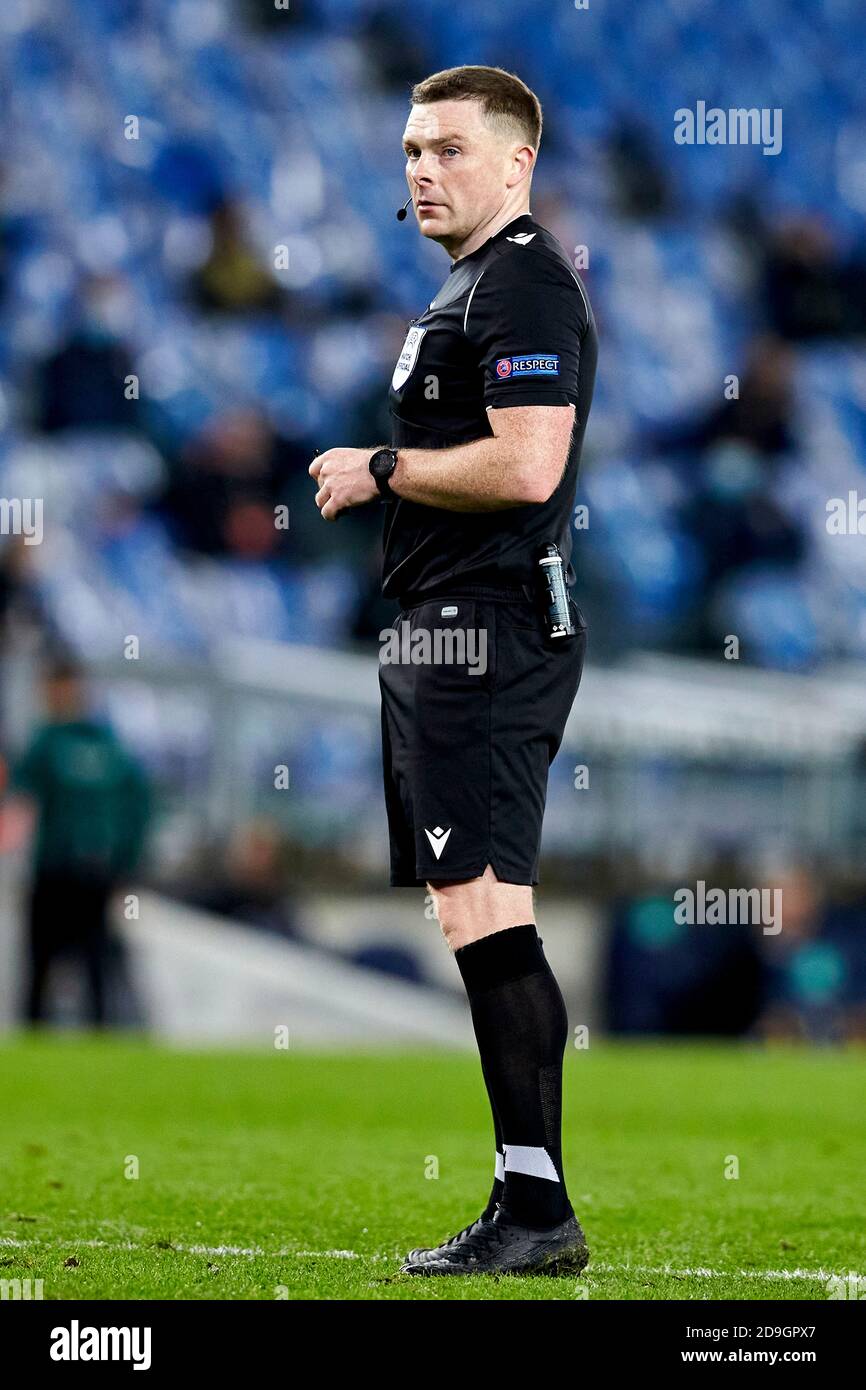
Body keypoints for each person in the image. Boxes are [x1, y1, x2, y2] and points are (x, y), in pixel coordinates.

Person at [309, 65, 597, 1276]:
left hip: (482, 630)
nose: (422, 169)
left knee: (484, 910)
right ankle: (526, 1198)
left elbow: (529, 466)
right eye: (411, 149)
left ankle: (536, 1210)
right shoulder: (474, 282)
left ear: (515, 162)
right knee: (476, 911)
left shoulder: (523, 279)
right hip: (451, 627)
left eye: (448, 149)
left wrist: (379, 469)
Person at [9, 655, 150, 1026]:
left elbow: (139, 806)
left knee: (86, 964)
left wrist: (126, 863)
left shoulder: (65, 743)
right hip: (68, 869)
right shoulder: (87, 743)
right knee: (52, 963)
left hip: (77, 871)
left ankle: (92, 1034)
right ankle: (50, 1034)